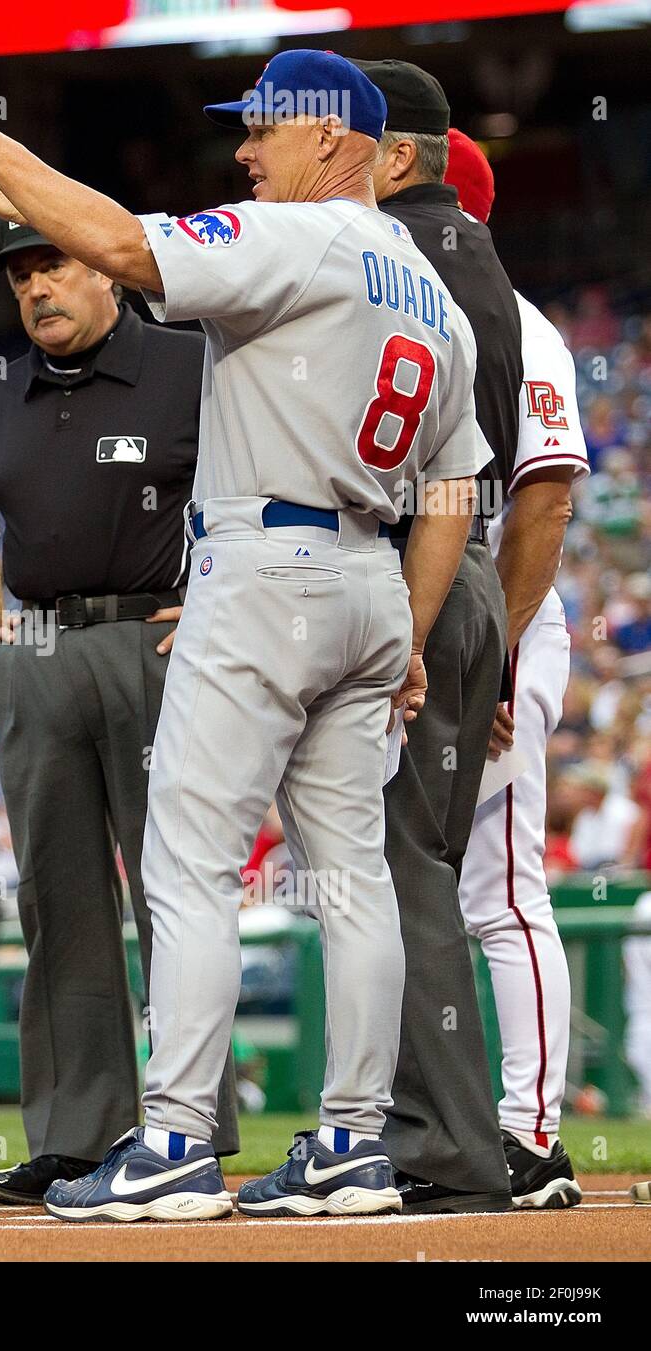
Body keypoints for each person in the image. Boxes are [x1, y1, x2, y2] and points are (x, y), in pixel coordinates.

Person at [0, 46, 486, 1221]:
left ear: (336, 141)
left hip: (265, 563)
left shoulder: (300, 234)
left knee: (186, 863)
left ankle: (173, 1143)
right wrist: (405, 631)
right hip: (365, 568)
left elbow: (128, 250)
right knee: (351, 881)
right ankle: (353, 1146)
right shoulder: (427, 288)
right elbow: (455, 488)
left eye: (264, 130)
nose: (244, 150)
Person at [0, 212, 241, 1203]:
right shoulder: (2, 387)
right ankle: (76, 1134)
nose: (34, 289)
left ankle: (187, 1127)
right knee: (58, 901)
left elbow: (270, 487)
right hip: (39, 648)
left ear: (108, 270)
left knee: (174, 893)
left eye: (52, 265)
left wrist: (221, 595)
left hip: (155, 645)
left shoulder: (189, 361)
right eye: (19, 275)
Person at [359, 58, 519, 1212]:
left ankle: (445, 1146)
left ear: (396, 155)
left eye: (340, 140)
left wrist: (405, 629)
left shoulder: (397, 257)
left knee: (391, 865)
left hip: (411, 566)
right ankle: (440, 1136)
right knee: (414, 865)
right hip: (461, 579)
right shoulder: (480, 257)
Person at [445, 128, 589, 1209]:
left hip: (503, 627)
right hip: (426, 631)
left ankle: (531, 1137)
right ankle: (433, 1123)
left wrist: (491, 666)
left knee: (499, 890)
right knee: (417, 892)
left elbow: (543, 500)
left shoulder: (521, 330)